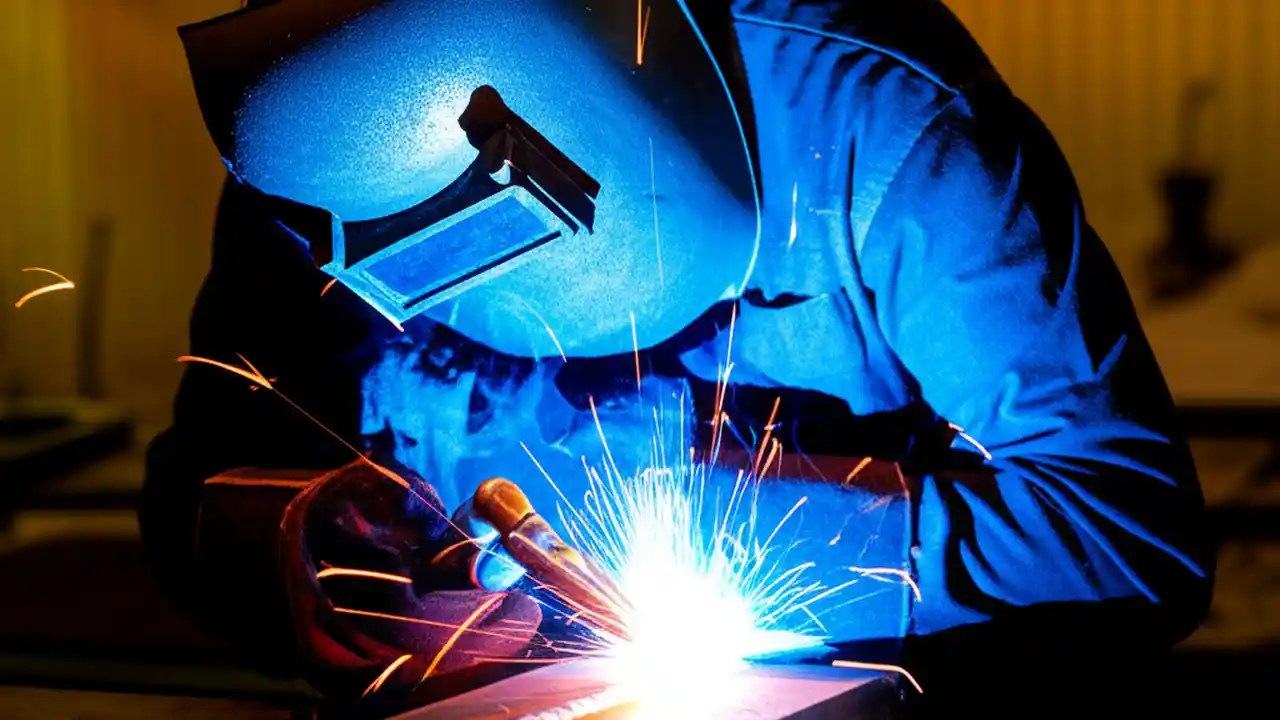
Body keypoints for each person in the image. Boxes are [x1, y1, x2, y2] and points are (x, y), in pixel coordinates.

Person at [143, 0, 1214, 715]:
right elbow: (201, 475)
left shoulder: (885, 128)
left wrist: (799, 538)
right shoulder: (312, 157)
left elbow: (1129, 542)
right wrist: (293, 540)